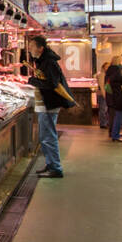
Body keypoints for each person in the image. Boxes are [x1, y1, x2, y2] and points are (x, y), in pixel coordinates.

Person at [27, 34, 76, 178]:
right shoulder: (43, 61)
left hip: (50, 105)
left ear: (40, 48)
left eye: (31, 47)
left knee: (48, 136)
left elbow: (52, 84)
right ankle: (50, 164)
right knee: (44, 136)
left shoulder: (49, 62)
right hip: (45, 104)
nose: (29, 50)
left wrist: (33, 81)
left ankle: (55, 168)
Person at [105, 55, 122, 142]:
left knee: (115, 115)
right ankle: (115, 135)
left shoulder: (110, 70)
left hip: (112, 96)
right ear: (119, 62)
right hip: (119, 96)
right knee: (118, 116)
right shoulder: (118, 71)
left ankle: (115, 133)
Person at [94, 54, 110, 132]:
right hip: (102, 94)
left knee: (105, 109)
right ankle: (103, 123)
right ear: (104, 67)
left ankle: (105, 123)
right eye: (107, 67)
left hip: (105, 94)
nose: (108, 68)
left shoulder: (106, 75)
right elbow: (102, 86)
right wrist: (105, 95)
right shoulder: (102, 75)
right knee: (103, 109)